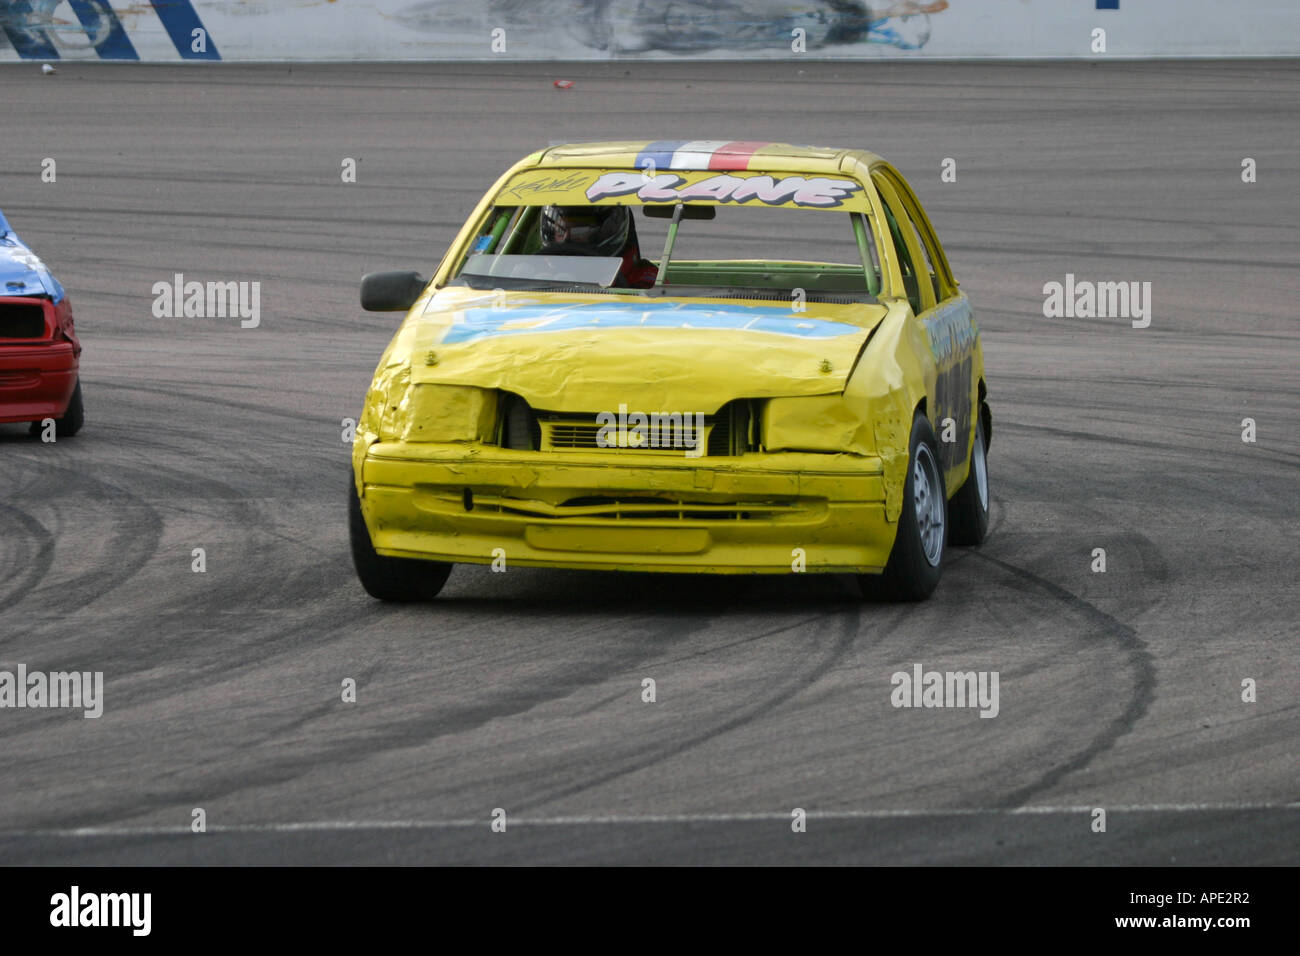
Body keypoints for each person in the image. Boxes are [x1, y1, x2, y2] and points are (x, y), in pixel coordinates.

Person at [538, 204, 658, 288]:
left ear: (606, 231)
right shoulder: (534, 271)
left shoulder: (644, 281)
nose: (566, 238)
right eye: (560, 230)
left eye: (579, 231)